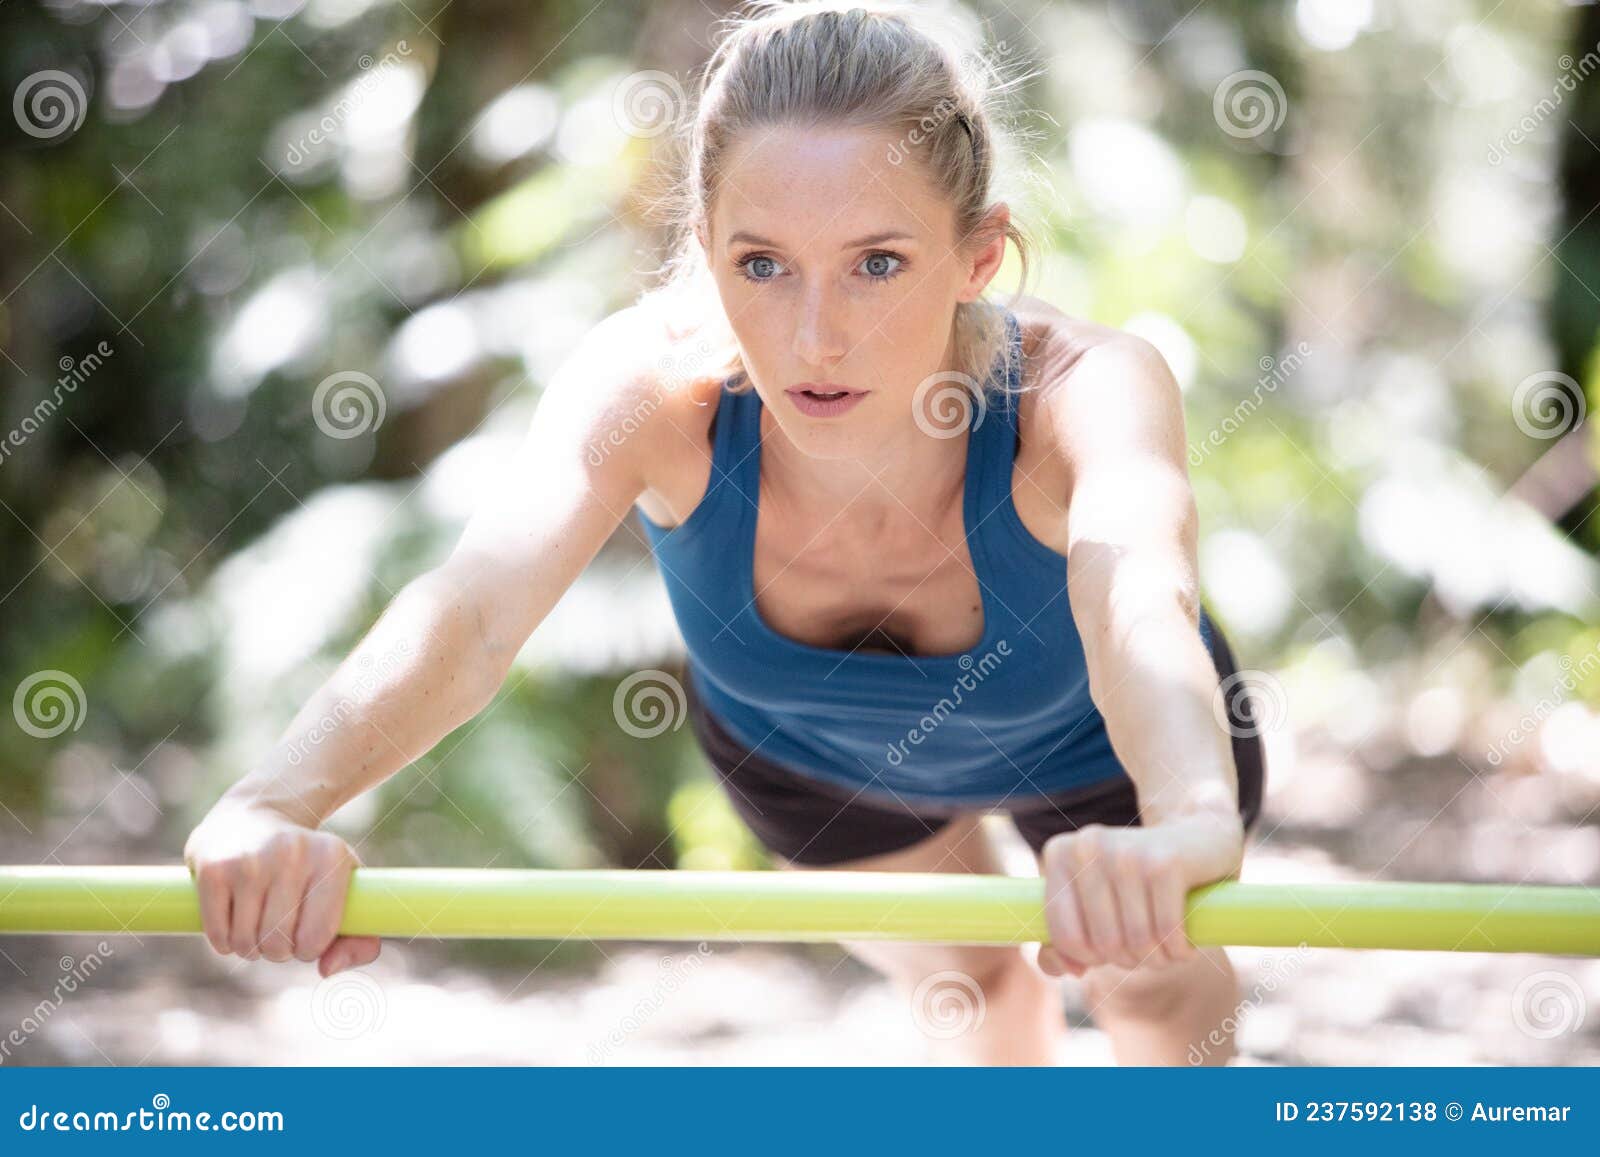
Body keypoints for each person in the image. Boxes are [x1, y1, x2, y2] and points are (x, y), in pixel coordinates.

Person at [184, 0, 1266, 1067]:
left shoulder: (1079, 390)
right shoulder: (655, 388)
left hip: (1105, 746)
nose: (815, 334)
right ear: (705, 250)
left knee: (1146, 980)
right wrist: (272, 800)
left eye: (877, 262)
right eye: (762, 263)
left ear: (978, 258)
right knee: (966, 980)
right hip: (814, 761)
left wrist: (1189, 816)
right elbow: (471, 611)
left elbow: (1139, 603)